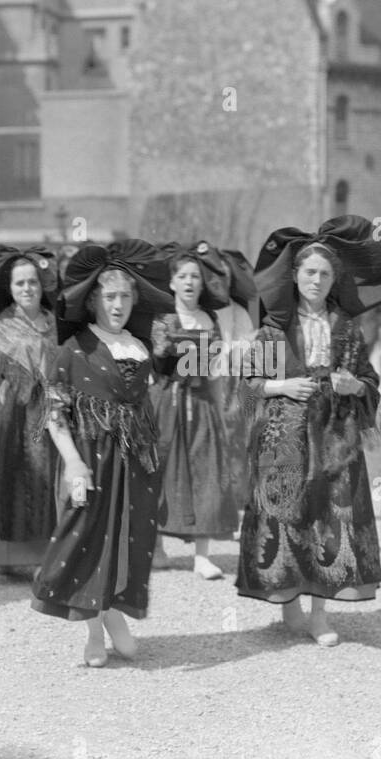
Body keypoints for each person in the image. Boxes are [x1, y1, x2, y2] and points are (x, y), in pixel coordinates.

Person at [235, 216, 381, 647]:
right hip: (284, 435)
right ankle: (288, 602)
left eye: (325, 274)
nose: (316, 280)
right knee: (286, 514)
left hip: (335, 436)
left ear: (335, 280)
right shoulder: (275, 328)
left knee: (332, 516)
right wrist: (282, 385)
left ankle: (319, 613)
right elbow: (247, 387)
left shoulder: (346, 326)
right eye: (309, 272)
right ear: (295, 276)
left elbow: (370, 381)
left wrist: (355, 385)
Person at [31, 240, 173, 667]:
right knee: (88, 537)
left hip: (134, 460)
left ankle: (113, 611)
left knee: (131, 537)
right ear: (93, 301)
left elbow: (144, 408)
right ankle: (93, 628)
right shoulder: (73, 349)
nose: (118, 305)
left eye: (126, 297)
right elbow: (55, 413)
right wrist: (73, 462)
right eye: (110, 297)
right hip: (90, 458)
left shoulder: (140, 348)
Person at [0, 248, 60, 575]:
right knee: (20, 484)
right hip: (13, 416)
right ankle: (16, 557)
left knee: (50, 483)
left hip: (51, 412)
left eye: (32, 282)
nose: (27, 289)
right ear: (11, 288)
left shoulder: (55, 325)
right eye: (20, 283)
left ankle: (49, 553)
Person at [149, 244, 241, 579]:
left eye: (195, 277)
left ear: (203, 284)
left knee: (206, 473)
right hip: (166, 402)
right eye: (182, 276)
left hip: (201, 404)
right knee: (161, 472)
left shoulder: (209, 319)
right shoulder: (161, 318)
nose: (189, 282)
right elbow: (157, 365)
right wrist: (163, 352)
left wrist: (220, 406)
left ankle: (202, 555)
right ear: (171, 282)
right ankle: (156, 545)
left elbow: (216, 368)